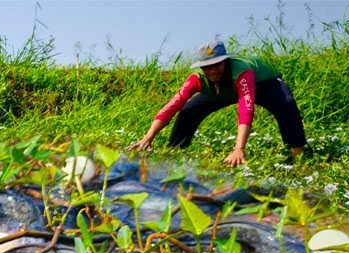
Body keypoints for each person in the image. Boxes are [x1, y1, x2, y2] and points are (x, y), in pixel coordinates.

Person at [129, 40, 307, 166]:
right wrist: (148, 137)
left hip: (265, 85)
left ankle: (298, 156)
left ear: (225, 61)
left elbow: (246, 109)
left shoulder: (241, 71)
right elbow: (173, 105)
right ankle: (173, 151)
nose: (212, 70)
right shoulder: (197, 79)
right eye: (207, 67)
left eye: (217, 65)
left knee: (286, 105)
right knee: (188, 110)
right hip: (224, 89)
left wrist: (239, 148)